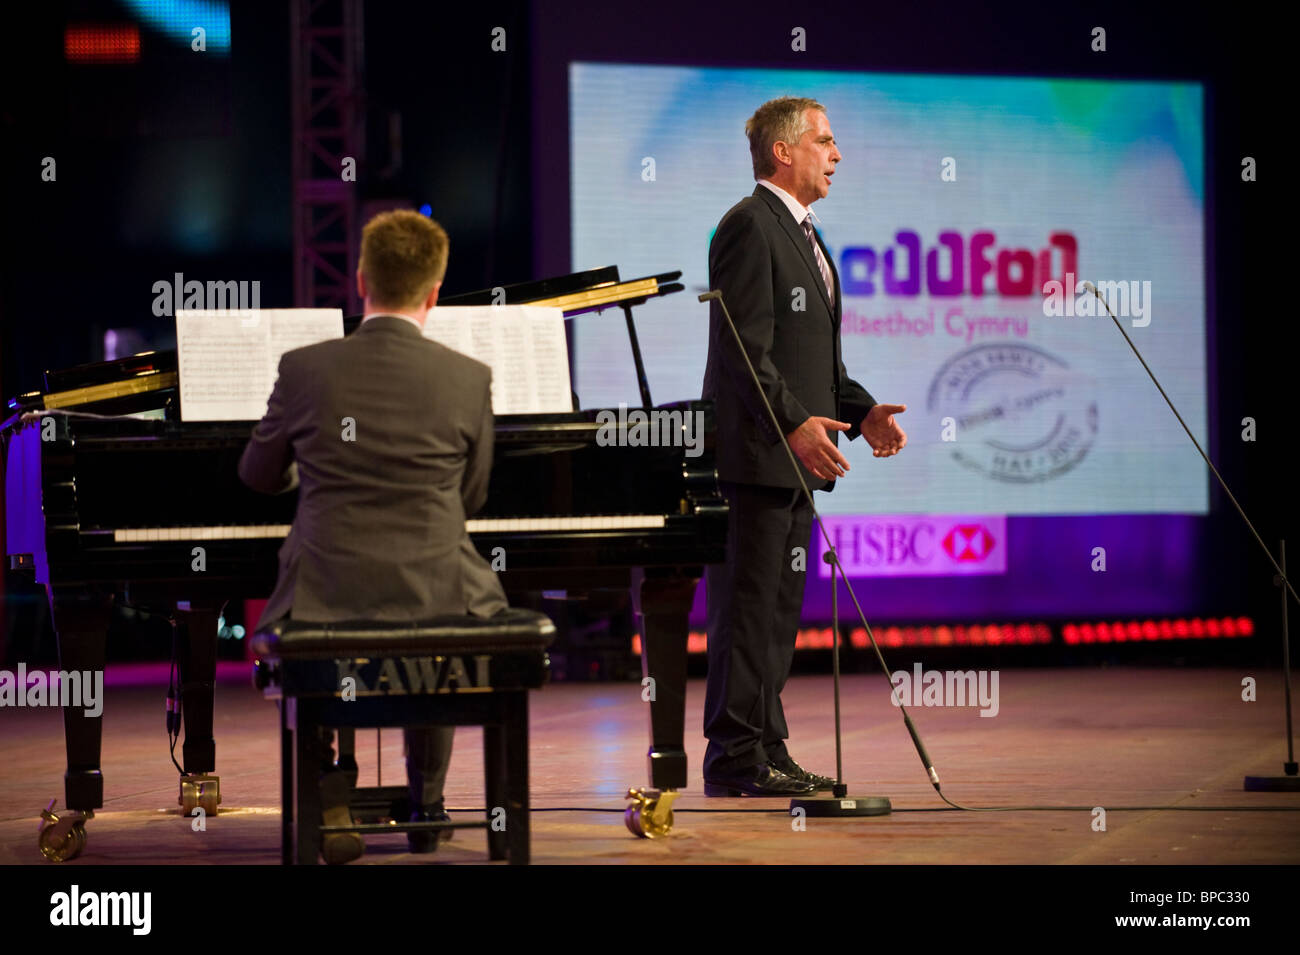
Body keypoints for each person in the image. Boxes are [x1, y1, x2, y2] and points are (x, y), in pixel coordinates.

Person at [239, 209, 507, 860]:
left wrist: (313, 471)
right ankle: (427, 803)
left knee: (316, 624)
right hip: (436, 588)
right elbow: (471, 497)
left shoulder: (303, 369)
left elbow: (255, 473)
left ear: (359, 279)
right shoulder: (469, 379)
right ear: (435, 292)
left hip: (327, 591)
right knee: (442, 620)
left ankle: (329, 793)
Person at [701, 96, 908, 796]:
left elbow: (816, 366)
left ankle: (769, 746)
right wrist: (792, 423)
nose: (838, 154)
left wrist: (864, 408)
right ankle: (733, 757)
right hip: (756, 462)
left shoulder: (808, 236)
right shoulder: (747, 226)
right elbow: (742, 350)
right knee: (748, 610)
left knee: (777, 615)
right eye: (825, 140)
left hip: (791, 465)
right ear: (783, 152)